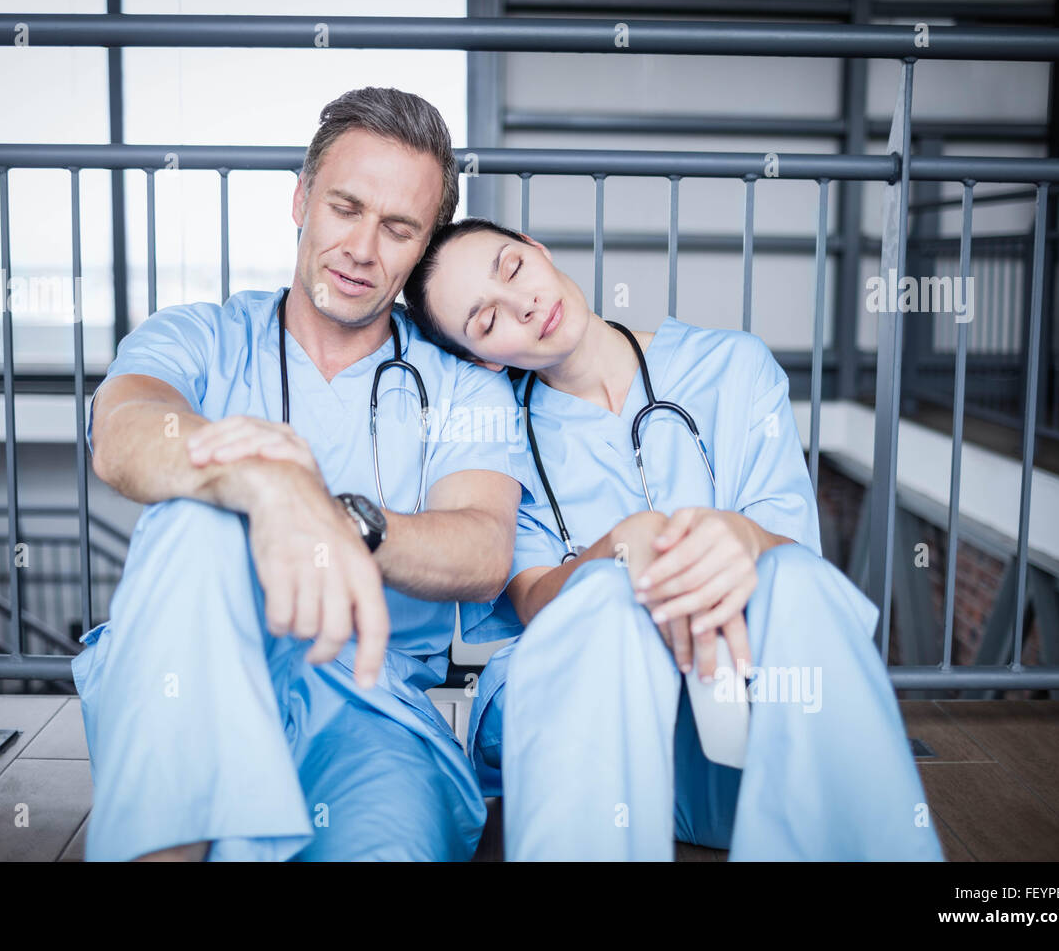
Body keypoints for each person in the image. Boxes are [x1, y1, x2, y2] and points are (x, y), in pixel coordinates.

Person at [400, 217, 946, 861]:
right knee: (602, 594)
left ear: (539, 250)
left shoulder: (733, 368)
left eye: (513, 268)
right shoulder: (502, 437)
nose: (521, 306)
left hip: (735, 725)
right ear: (484, 359)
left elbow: (794, 559)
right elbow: (532, 599)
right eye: (486, 322)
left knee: (792, 580)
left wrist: (739, 536)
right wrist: (621, 547)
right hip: (593, 732)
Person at [72, 90, 525, 862]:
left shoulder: (459, 383)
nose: (361, 247)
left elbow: (484, 553)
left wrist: (332, 515)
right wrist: (262, 484)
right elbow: (123, 435)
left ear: (422, 249)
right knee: (194, 518)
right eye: (346, 207)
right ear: (301, 198)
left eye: (398, 228)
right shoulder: (200, 336)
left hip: (370, 702)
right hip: (195, 669)